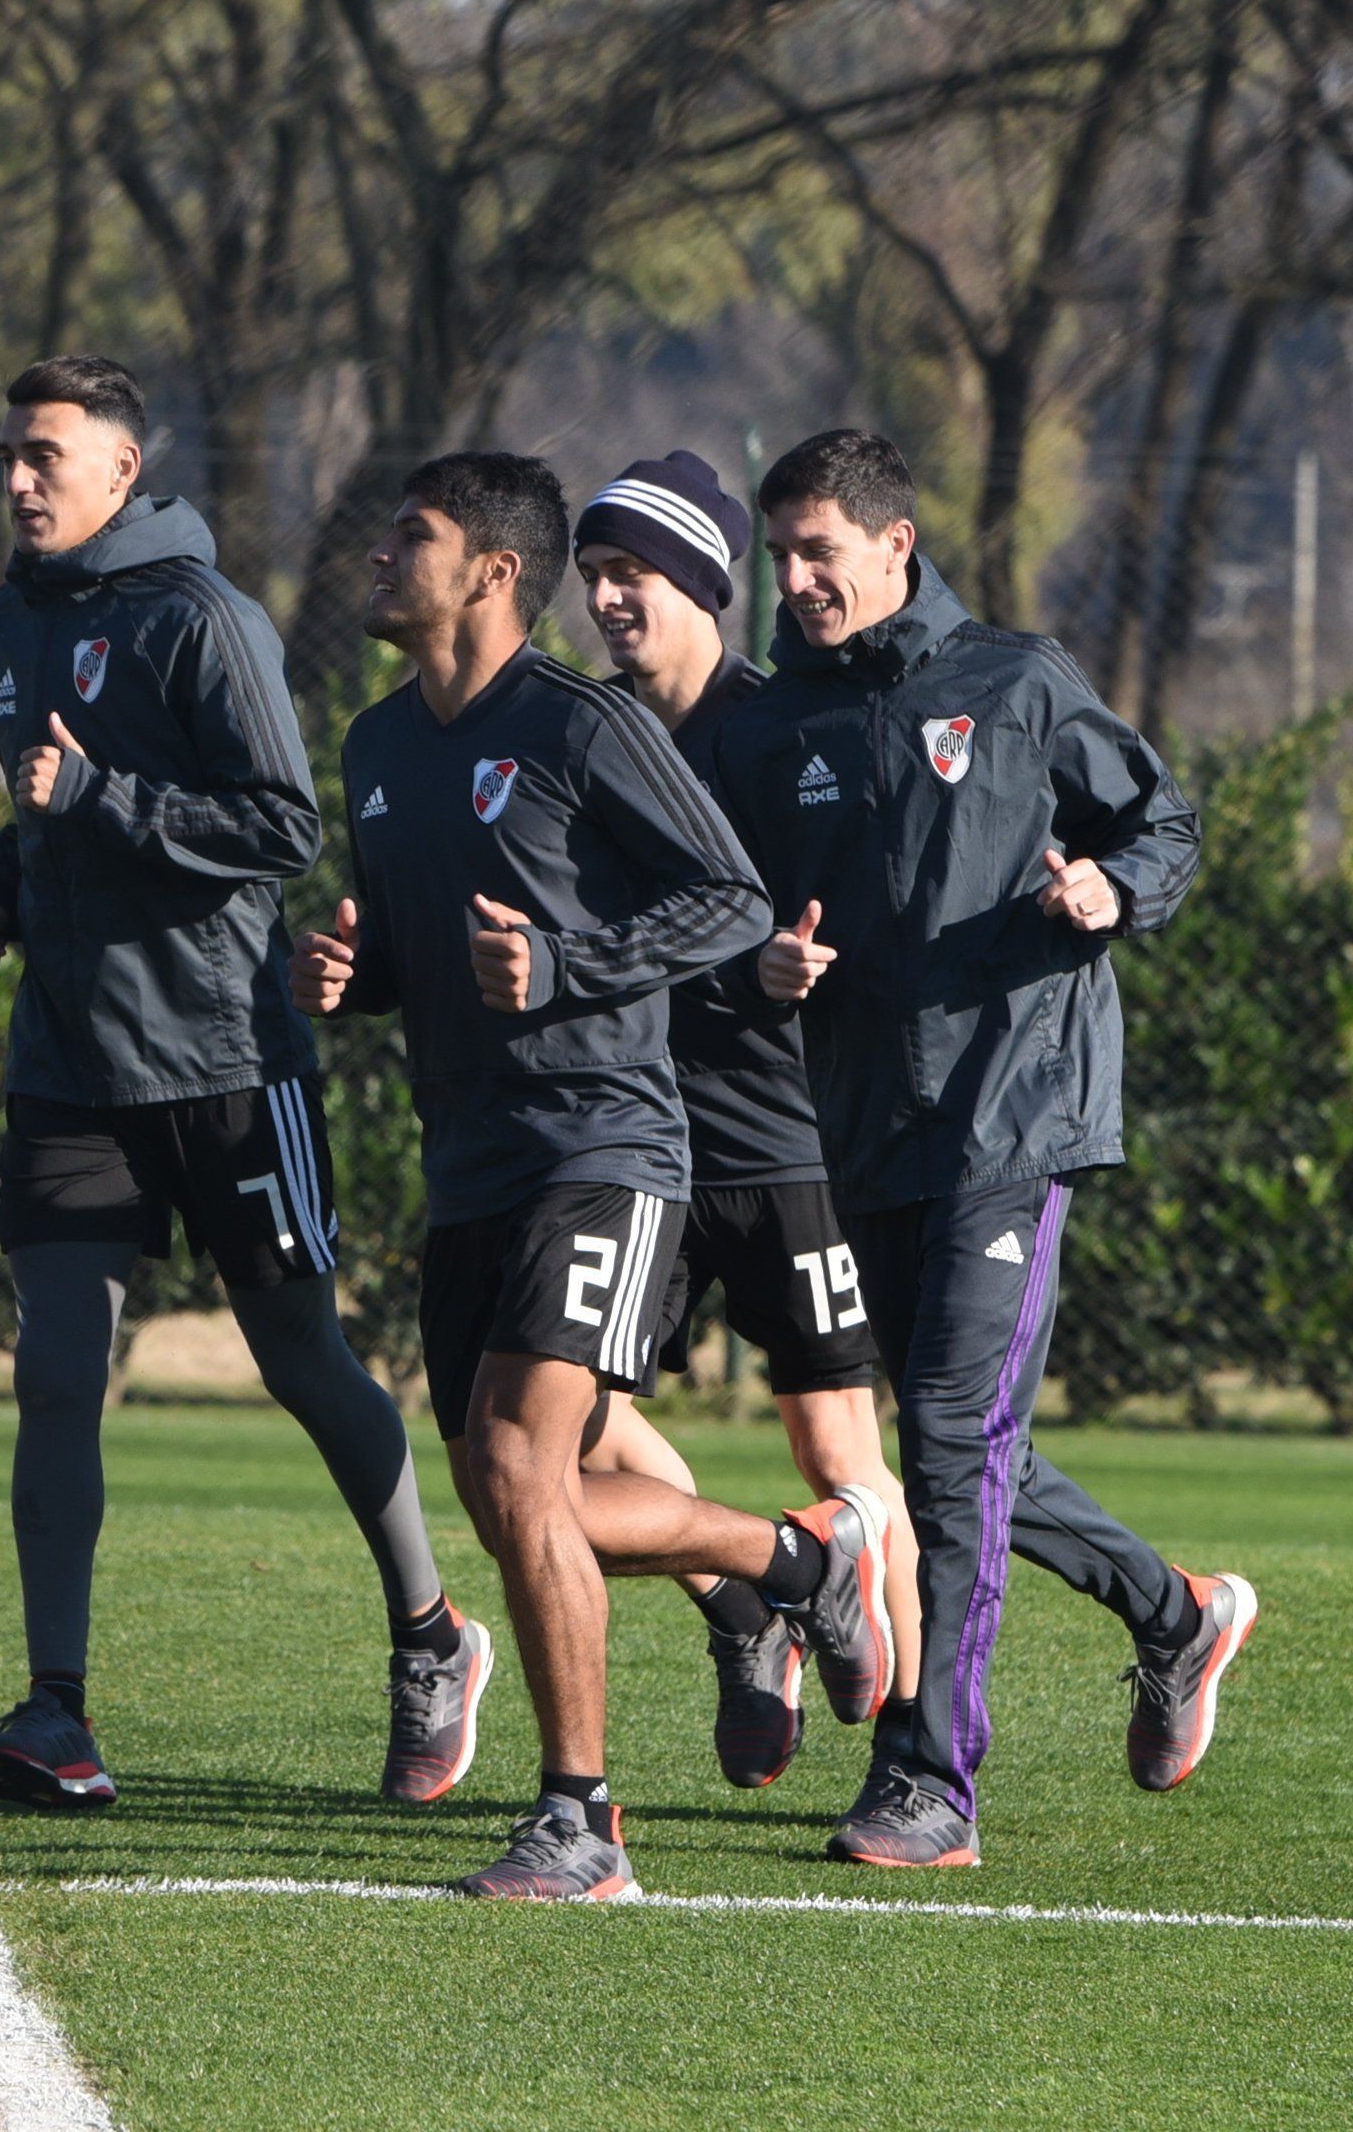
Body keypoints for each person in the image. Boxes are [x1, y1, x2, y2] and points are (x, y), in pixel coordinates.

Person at [290, 450, 892, 1901]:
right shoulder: (377, 746)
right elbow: (445, 961)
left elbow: (728, 900)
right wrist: (356, 976)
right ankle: (798, 1568)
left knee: (518, 1466)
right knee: (516, 1498)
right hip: (473, 1166)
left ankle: (581, 1822)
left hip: (610, 1147)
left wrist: (571, 963)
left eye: (409, 538)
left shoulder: (580, 726)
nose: (378, 557)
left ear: (491, 572)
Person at [701, 428, 1254, 1869]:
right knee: (967, 1449)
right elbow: (719, 920)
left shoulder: (1012, 681)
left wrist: (1109, 889)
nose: (800, 581)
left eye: (822, 551)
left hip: (1018, 1108)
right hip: (866, 1124)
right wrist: (756, 970)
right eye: (783, 557)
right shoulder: (770, 730)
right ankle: (1177, 1617)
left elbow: (1164, 822)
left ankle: (931, 1778)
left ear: (897, 545)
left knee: (949, 1439)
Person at [0, 354, 473, 1813]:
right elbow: (39, 813)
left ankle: (432, 1631)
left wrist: (97, 804)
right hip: (68, 1070)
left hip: (226, 1065)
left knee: (301, 1359)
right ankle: (57, 1709)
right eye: (10, 454)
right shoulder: (5, 622)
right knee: (56, 1377)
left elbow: (274, 826)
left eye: (46, 455)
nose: (18, 479)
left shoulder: (201, 616)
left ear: (123, 472)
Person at [567, 452, 921, 1791]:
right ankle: (748, 1595)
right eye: (594, 574)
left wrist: (788, 971)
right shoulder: (580, 732)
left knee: (842, 1454)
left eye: (633, 573)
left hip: (782, 1143)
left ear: (702, 584)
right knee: (576, 1428)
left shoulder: (779, 731)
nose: (607, 597)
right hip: (634, 1146)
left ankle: (913, 1756)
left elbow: (847, 911)